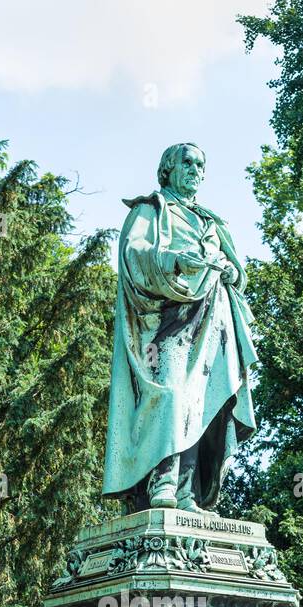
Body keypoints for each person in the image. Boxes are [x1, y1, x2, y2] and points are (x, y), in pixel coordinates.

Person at [103, 143, 258, 511]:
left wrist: (233, 272)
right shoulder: (150, 211)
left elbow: (236, 271)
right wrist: (175, 260)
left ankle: (186, 492)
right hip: (165, 324)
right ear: (167, 170)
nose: (194, 170)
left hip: (213, 322)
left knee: (202, 404)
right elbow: (133, 254)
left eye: (200, 165)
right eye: (186, 163)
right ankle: (161, 485)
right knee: (171, 397)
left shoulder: (211, 222)